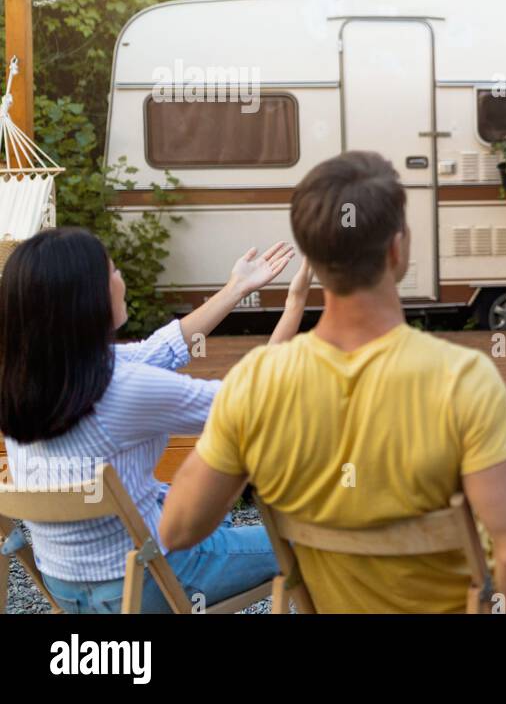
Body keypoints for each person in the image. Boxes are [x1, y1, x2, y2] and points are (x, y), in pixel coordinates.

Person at [160, 151, 506, 613]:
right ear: (398, 250)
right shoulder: (462, 378)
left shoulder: (256, 381)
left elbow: (176, 530)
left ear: (310, 259)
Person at [0, 227, 303, 613]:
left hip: (67, 590)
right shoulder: (125, 388)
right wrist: (293, 308)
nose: (121, 280)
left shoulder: (25, 379)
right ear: (87, 298)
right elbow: (248, 406)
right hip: (151, 582)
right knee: (311, 540)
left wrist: (236, 288)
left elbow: (158, 349)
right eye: (112, 272)